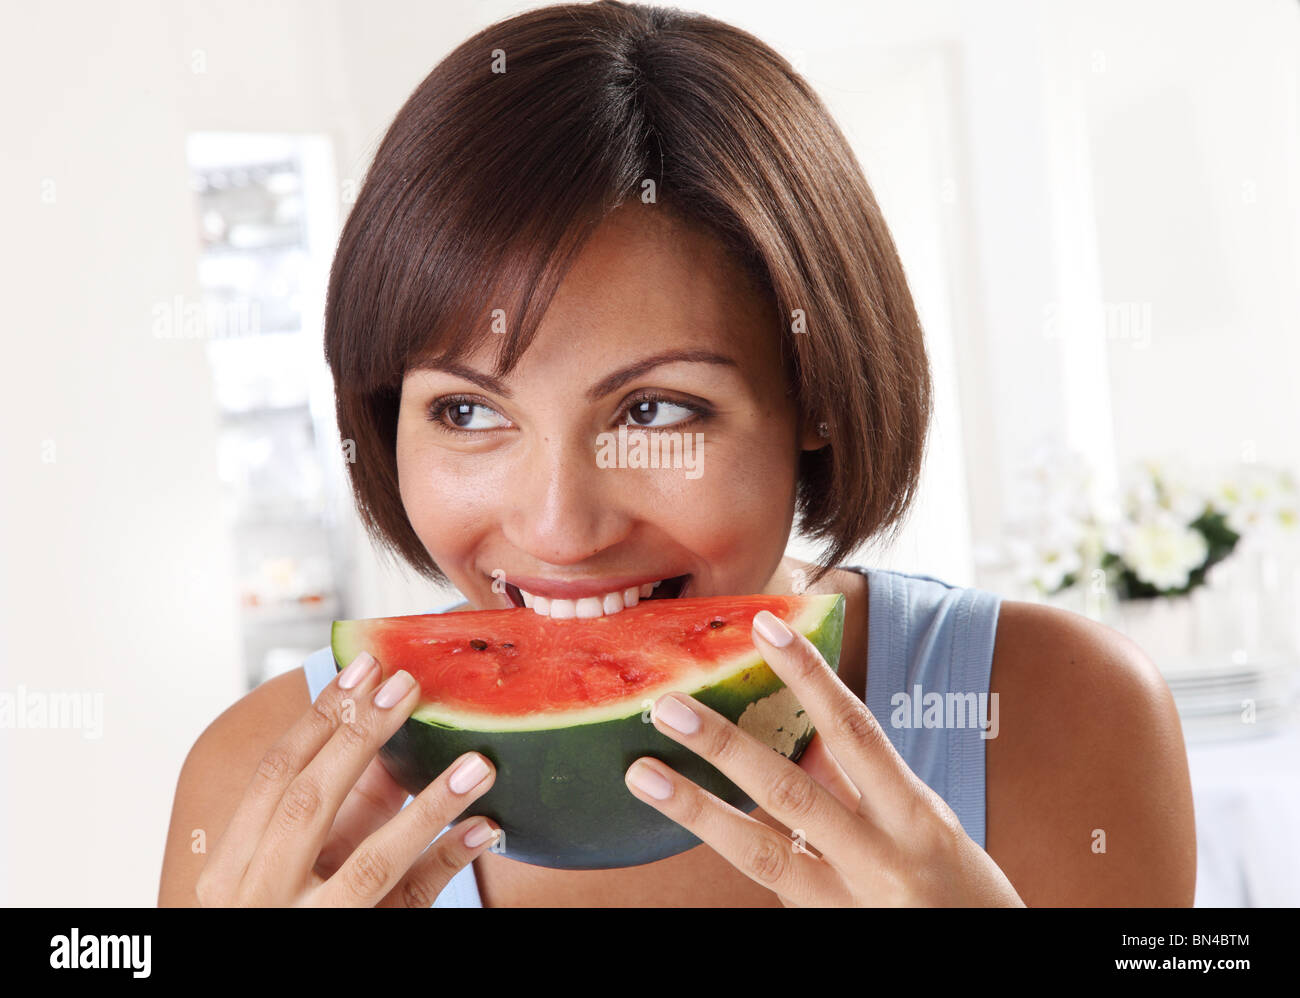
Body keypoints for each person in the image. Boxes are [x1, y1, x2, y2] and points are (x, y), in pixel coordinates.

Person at [158, 0, 1195, 907]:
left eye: (656, 410)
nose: (559, 524)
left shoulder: (1057, 714)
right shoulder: (254, 779)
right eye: (468, 413)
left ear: (816, 395)